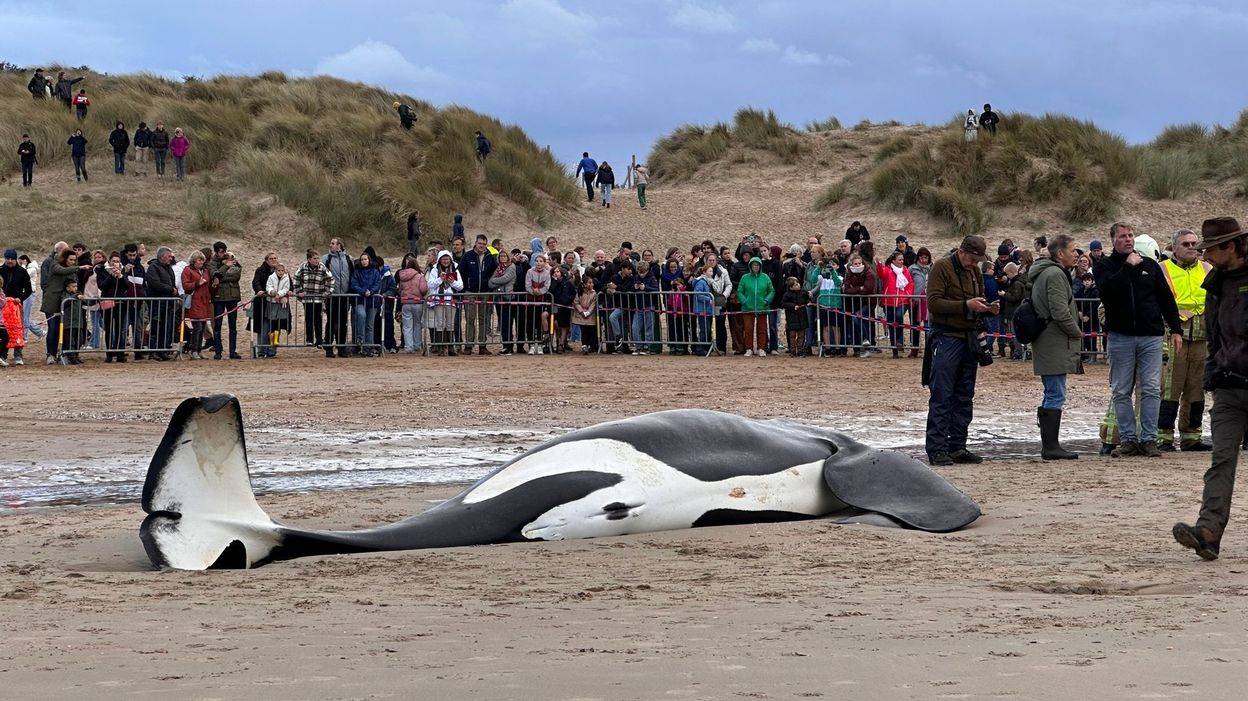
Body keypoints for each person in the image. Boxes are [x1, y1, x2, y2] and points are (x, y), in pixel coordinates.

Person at [1173, 217, 1248, 561]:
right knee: (1221, 460)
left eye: (1210, 249)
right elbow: (1216, 333)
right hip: (1229, 386)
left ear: (1230, 246)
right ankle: (1208, 531)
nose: (1205, 255)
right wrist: (1214, 371)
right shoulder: (1216, 281)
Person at [1093, 222, 1184, 458]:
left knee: (1152, 389)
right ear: (1113, 240)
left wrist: (1175, 329)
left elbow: (1166, 299)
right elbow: (1108, 291)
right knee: (1121, 390)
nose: (1128, 240)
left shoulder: (1151, 266)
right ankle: (1128, 440)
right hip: (1121, 337)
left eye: (1130, 235)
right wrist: (1127, 268)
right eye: (1122, 236)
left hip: (1151, 336)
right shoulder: (1104, 266)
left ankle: (1149, 440)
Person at [923, 235, 996, 466]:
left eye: (977, 260)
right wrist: (966, 305)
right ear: (962, 252)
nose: (974, 264)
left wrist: (985, 307)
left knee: (965, 395)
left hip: (968, 337)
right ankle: (936, 449)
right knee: (942, 394)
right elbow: (933, 303)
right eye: (972, 259)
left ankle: (957, 446)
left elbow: (976, 299)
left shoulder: (974, 271)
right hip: (946, 337)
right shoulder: (941, 268)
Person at [1157, 228, 1213, 452]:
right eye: (1186, 244)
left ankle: (1192, 436)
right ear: (1174, 248)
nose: (1192, 248)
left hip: (1201, 338)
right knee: (1170, 390)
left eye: (1194, 244)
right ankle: (1164, 437)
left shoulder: (1208, 269)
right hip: (1174, 337)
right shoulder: (1163, 270)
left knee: (1196, 390)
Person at [1029, 235, 1083, 460]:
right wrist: (1076, 332)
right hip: (1054, 341)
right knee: (1055, 393)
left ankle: (1050, 445)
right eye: (1072, 250)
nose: (1076, 254)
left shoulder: (1047, 272)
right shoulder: (1054, 274)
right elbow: (1060, 311)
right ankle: (1050, 447)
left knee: (1053, 391)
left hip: (1050, 340)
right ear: (1060, 253)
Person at [459, 235, 497, 354]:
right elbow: (461, 272)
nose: (481, 246)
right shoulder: (468, 255)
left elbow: (494, 272)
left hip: (485, 292)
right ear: (475, 243)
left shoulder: (490, 257)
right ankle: (469, 345)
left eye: (484, 244)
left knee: (483, 319)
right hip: (470, 292)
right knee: (470, 319)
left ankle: (482, 345)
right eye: (480, 243)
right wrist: (465, 287)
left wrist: (489, 286)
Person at [293, 248, 333, 350]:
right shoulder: (303, 267)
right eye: (315, 258)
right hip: (307, 298)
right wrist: (298, 292)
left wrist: (327, 292)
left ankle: (319, 340)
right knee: (309, 317)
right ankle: (309, 339)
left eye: (318, 258)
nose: (317, 260)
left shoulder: (322, 267)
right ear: (309, 259)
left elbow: (330, 279)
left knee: (318, 319)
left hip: (318, 298)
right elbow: (296, 279)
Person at [426, 250, 463, 355]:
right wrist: (440, 279)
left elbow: (460, 286)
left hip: (450, 301)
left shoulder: (455, 269)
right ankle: (441, 348)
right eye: (443, 259)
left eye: (447, 259)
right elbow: (430, 284)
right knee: (440, 323)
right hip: (438, 301)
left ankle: (451, 348)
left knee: (450, 324)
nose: (445, 261)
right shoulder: (434, 270)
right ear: (440, 260)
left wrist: (452, 282)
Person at [737, 257, 774, 356]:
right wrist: (744, 301)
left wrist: (767, 300)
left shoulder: (765, 277)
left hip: (762, 307)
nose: (755, 267)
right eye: (754, 265)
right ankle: (749, 348)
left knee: (762, 329)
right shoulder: (745, 277)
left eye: (757, 265)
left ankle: (761, 348)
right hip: (748, 308)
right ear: (750, 266)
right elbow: (739, 291)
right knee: (748, 329)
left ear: (760, 266)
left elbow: (771, 290)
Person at [210, 251, 242, 359]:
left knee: (232, 326)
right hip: (219, 298)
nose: (229, 258)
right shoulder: (215, 264)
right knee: (217, 325)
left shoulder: (236, 265)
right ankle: (218, 351)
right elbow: (214, 275)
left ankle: (232, 351)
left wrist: (219, 277)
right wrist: (224, 268)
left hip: (232, 298)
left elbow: (235, 276)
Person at [348, 252, 381, 356]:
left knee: (369, 326)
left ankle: (368, 348)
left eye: (365, 259)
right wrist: (363, 291)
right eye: (362, 259)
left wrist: (371, 291)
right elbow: (354, 284)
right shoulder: (356, 272)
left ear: (369, 260)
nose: (364, 261)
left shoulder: (375, 272)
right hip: (360, 300)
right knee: (361, 316)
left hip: (372, 301)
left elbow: (378, 284)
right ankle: (360, 338)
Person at [181, 251, 213, 360]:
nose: (201, 262)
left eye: (202, 260)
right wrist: (197, 283)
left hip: (204, 301)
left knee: (203, 326)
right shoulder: (187, 270)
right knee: (197, 327)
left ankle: (199, 349)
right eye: (199, 260)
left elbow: (208, 286)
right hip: (194, 301)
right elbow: (185, 285)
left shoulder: (205, 271)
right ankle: (193, 349)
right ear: (194, 260)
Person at [881, 250, 913, 357]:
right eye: (899, 259)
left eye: (902, 259)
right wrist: (878, 265)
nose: (902, 261)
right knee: (890, 324)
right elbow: (881, 273)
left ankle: (899, 340)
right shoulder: (888, 270)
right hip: (888, 301)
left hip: (902, 300)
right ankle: (894, 349)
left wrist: (908, 294)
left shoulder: (905, 271)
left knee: (899, 317)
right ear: (893, 261)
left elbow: (910, 283)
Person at [397, 254, 428, 354]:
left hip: (405, 302)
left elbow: (400, 289)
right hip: (417, 302)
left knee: (407, 326)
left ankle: (408, 346)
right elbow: (423, 290)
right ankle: (417, 345)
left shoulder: (402, 276)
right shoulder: (420, 276)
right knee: (417, 325)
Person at [264, 263, 292, 355]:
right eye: (278, 271)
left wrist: (279, 294)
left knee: (279, 321)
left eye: (282, 271)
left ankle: (275, 340)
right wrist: (273, 292)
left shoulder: (286, 278)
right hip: (272, 302)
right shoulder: (271, 277)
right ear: (275, 271)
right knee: (272, 321)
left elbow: (286, 288)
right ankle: (272, 341)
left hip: (281, 303)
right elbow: (268, 287)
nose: (280, 272)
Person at [58, 278, 85, 365]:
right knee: (70, 341)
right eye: (73, 286)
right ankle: (71, 357)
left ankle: (76, 355)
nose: (75, 288)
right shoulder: (64, 295)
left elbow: (87, 302)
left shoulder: (79, 294)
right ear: (68, 288)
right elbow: (65, 302)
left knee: (80, 340)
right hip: (69, 323)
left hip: (78, 323)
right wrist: (75, 297)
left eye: (76, 286)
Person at [572, 276, 598, 353]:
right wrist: (581, 311)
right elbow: (576, 302)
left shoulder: (594, 293)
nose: (591, 284)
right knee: (583, 331)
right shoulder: (579, 292)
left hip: (590, 315)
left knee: (590, 330)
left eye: (592, 283)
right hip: (581, 314)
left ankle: (590, 345)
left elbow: (593, 304)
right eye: (589, 283)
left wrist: (589, 312)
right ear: (584, 284)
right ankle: (584, 345)